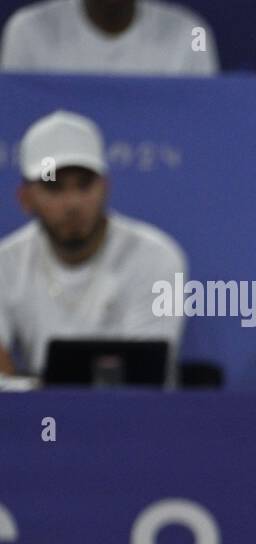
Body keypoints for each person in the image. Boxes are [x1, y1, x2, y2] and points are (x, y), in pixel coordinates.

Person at [0, 110, 187, 382]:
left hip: (135, 419)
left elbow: (145, 375)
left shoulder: (156, 257)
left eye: (84, 185)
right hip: (43, 419)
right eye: (54, 188)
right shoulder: (6, 263)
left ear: (105, 187)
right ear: (26, 198)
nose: (72, 203)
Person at [0, 0, 218, 75]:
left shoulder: (192, 34)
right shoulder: (27, 30)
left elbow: (202, 122)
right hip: (59, 174)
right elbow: (15, 120)